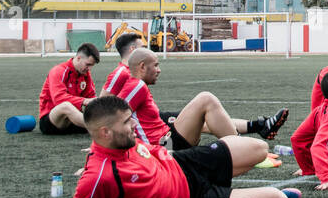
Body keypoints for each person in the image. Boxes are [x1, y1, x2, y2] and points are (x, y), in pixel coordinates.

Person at [69, 95, 298, 198]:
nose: (133, 126)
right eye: (127, 122)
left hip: (183, 162)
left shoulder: (122, 141)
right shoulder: (97, 177)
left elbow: (149, 150)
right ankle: (250, 196)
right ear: (105, 132)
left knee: (259, 148)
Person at [113, 47, 288, 151]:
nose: (159, 70)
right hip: (165, 146)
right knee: (206, 99)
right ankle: (242, 148)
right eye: (156, 65)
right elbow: (113, 114)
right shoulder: (137, 85)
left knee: (205, 113)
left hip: (166, 139)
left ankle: (256, 131)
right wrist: (105, 146)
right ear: (142, 67)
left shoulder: (138, 86)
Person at [37, 43, 99, 135]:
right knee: (66, 106)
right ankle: (100, 128)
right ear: (78, 58)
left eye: (91, 66)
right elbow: (58, 99)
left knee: (98, 104)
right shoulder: (58, 71)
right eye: (88, 64)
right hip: (51, 122)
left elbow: (91, 97)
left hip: (71, 122)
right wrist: (84, 101)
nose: (89, 69)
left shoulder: (85, 75)